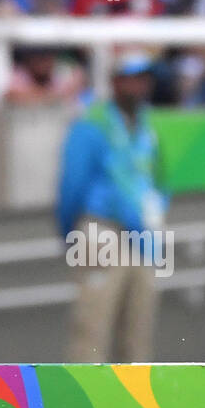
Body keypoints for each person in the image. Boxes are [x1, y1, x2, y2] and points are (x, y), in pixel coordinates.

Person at [57, 52, 168, 363]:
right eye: (133, 77)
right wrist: (72, 235)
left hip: (144, 236)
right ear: (116, 80)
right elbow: (72, 186)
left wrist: (156, 213)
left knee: (138, 336)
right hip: (101, 230)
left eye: (145, 78)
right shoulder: (93, 124)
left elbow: (160, 178)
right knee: (91, 331)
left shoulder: (148, 128)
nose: (141, 85)